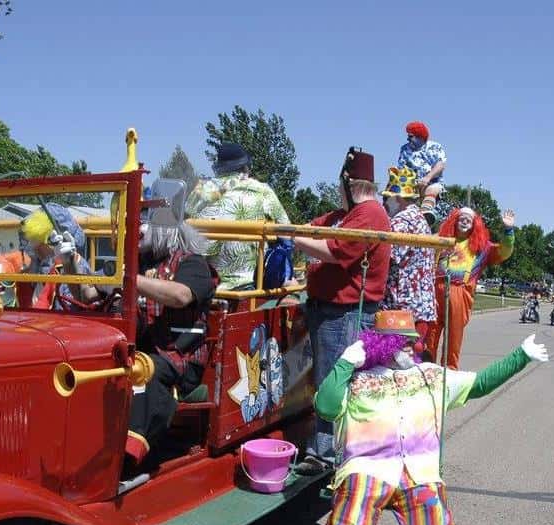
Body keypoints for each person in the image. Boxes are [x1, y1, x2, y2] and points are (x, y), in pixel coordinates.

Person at [304, 309, 549, 525]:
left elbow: (478, 384)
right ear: (381, 344)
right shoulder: (358, 380)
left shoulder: (431, 376)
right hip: (368, 468)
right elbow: (327, 408)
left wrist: (520, 356)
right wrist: (346, 363)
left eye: (412, 343)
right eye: (402, 343)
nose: (412, 348)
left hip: (419, 473)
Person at [292, 147, 392, 476]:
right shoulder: (343, 216)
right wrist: (299, 231)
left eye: (341, 186)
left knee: (332, 383)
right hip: (327, 311)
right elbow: (314, 227)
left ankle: (325, 456)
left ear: (349, 183)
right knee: (322, 379)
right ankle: (327, 450)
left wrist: (290, 235)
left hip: (345, 313)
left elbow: (336, 251)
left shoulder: (371, 215)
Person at [125, 209, 217, 468]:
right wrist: (73, 260)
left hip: (181, 359)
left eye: (145, 223)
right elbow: (89, 295)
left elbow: (181, 296)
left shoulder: (193, 264)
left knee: (143, 371)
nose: (140, 229)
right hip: (144, 351)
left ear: (164, 229)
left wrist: (130, 280)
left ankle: (130, 454)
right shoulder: (140, 264)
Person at [185, 142, 291, 289]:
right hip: (245, 284)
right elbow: (286, 232)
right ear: (245, 167)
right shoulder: (261, 190)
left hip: (201, 281)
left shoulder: (198, 190)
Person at [425, 207, 516, 369]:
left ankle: (450, 372)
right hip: (435, 291)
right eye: (461, 218)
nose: (465, 222)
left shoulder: (483, 248)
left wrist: (508, 230)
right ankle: (426, 368)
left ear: (475, 225)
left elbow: (504, 251)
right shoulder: (442, 240)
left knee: (454, 337)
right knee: (429, 335)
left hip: (459, 293)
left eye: (469, 220)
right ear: (454, 221)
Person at [381, 166, 436, 342]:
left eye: (386, 198)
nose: (384, 203)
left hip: (402, 308)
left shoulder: (402, 220)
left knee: (398, 362)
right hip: (421, 307)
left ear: (398, 198)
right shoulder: (420, 218)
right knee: (413, 359)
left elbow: (385, 257)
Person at [18, 203, 100, 310]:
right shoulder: (38, 265)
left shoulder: (75, 267)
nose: (33, 248)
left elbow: (70, 310)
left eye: (38, 242)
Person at [397, 121, 447, 226]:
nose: (408, 139)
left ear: (420, 136)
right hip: (410, 185)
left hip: (431, 183)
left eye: (411, 136)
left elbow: (441, 165)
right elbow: (401, 170)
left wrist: (427, 178)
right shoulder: (405, 149)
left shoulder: (434, 146)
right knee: (396, 198)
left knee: (433, 189)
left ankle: (425, 216)